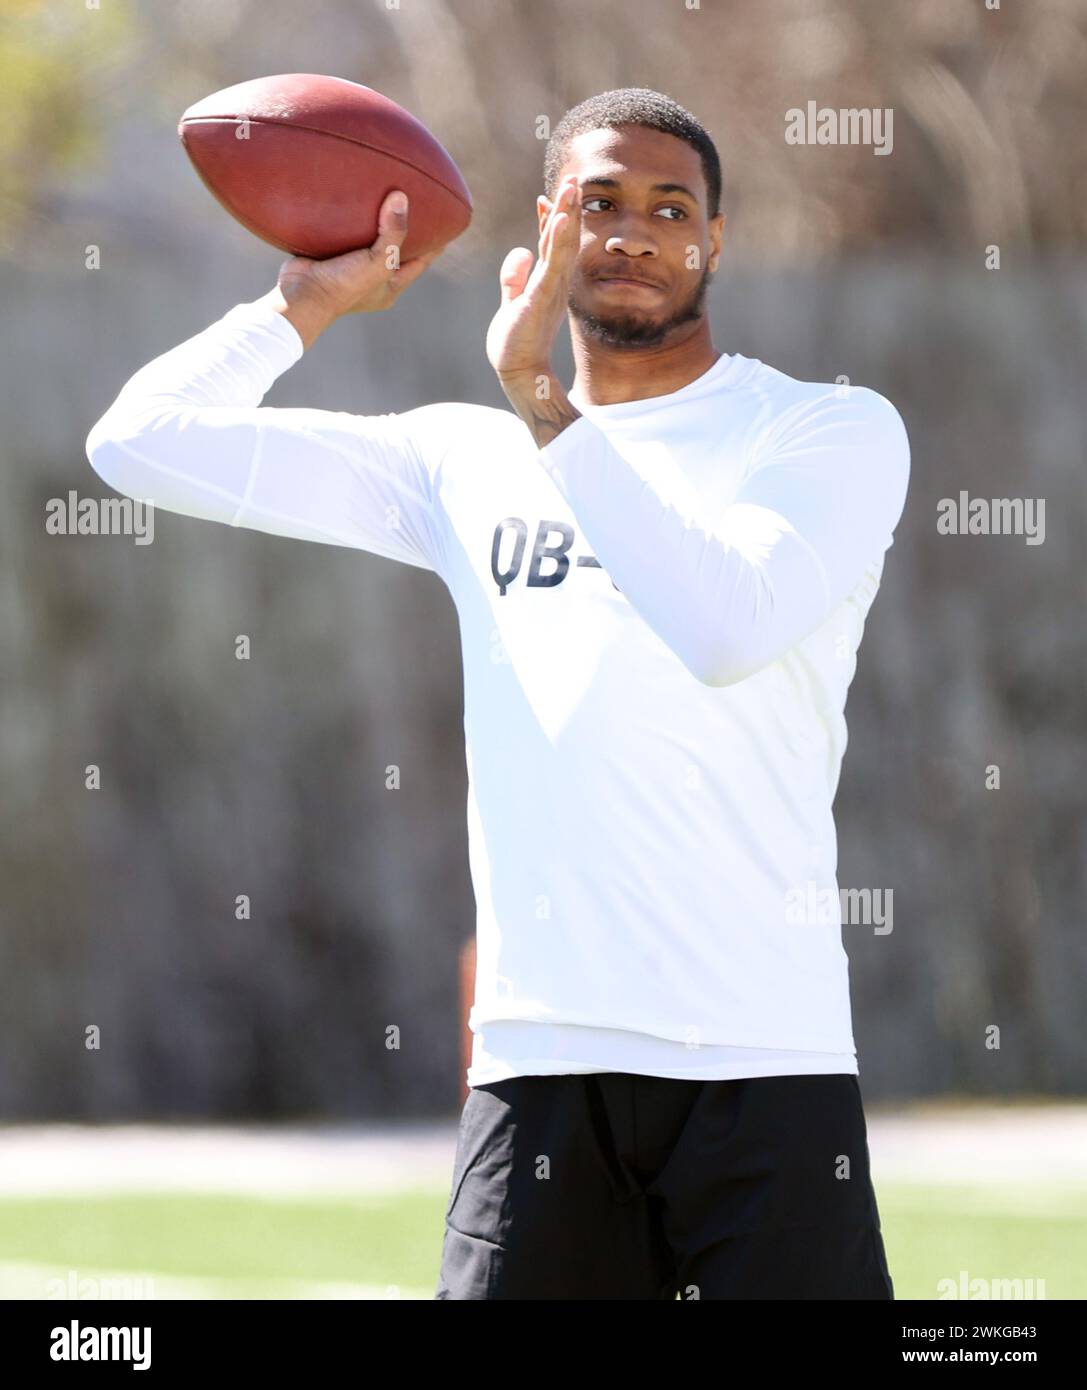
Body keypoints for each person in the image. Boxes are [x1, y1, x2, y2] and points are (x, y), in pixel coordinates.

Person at [86, 87, 908, 1300]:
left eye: (670, 207)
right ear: (547, 228)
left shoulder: (824, 430)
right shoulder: (455, 463)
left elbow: (724, 625)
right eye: (600, 202)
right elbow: (135, 441)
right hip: (537, 1073)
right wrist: (303, 301)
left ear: (716, 241)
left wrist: (542, 402)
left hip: (762, 1069)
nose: (632, 231)